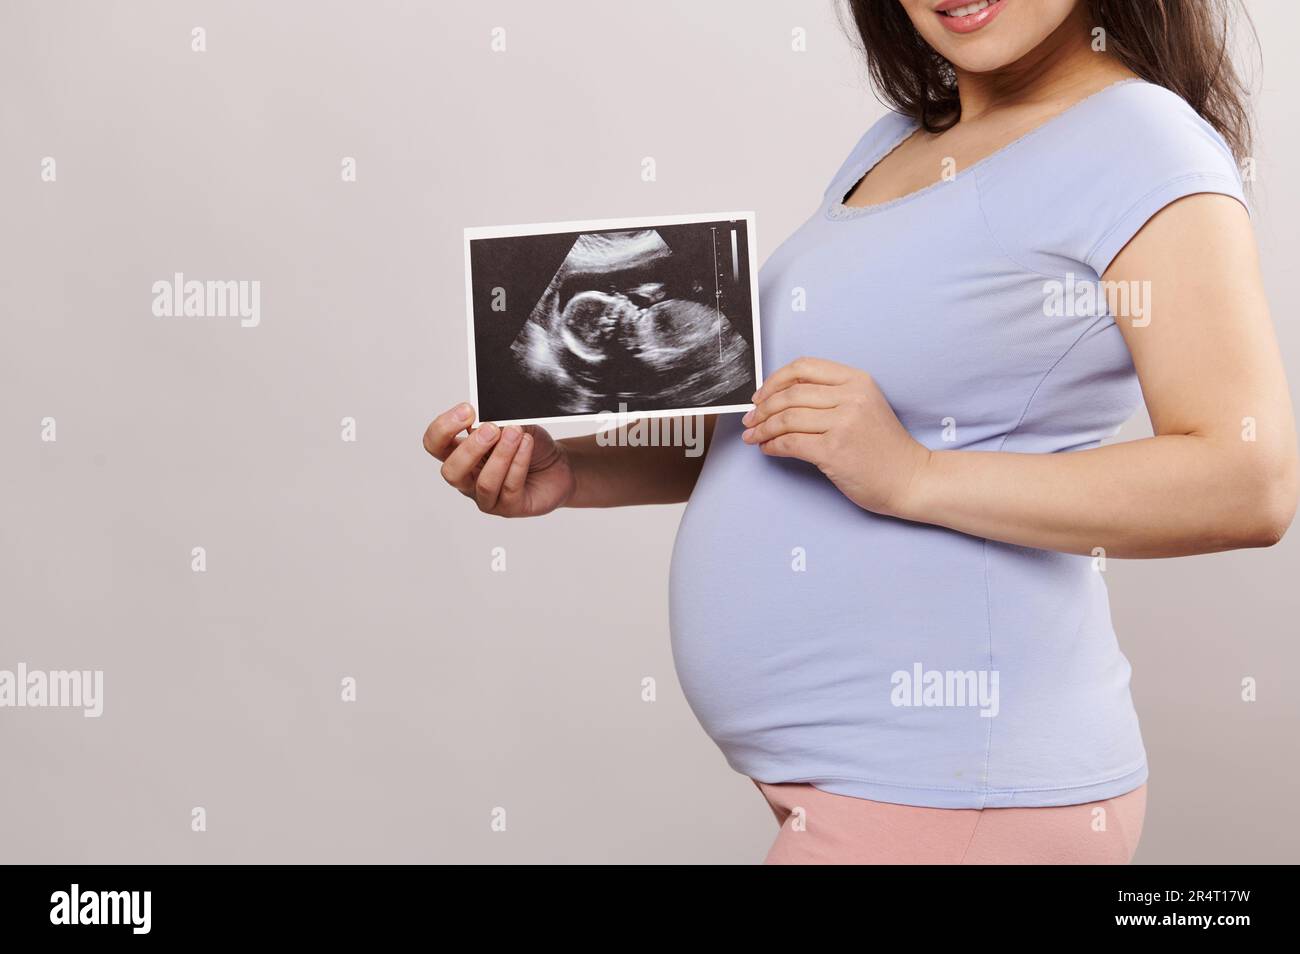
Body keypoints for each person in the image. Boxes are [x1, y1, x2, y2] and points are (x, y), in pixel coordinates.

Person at [424, 0, 1297, 864]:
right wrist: (574, 468)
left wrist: (914, 473)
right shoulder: (898, 140)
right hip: (869, 789)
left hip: (961, 791)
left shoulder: (1140, 138)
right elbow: (787, 429)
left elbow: (1248, 480)